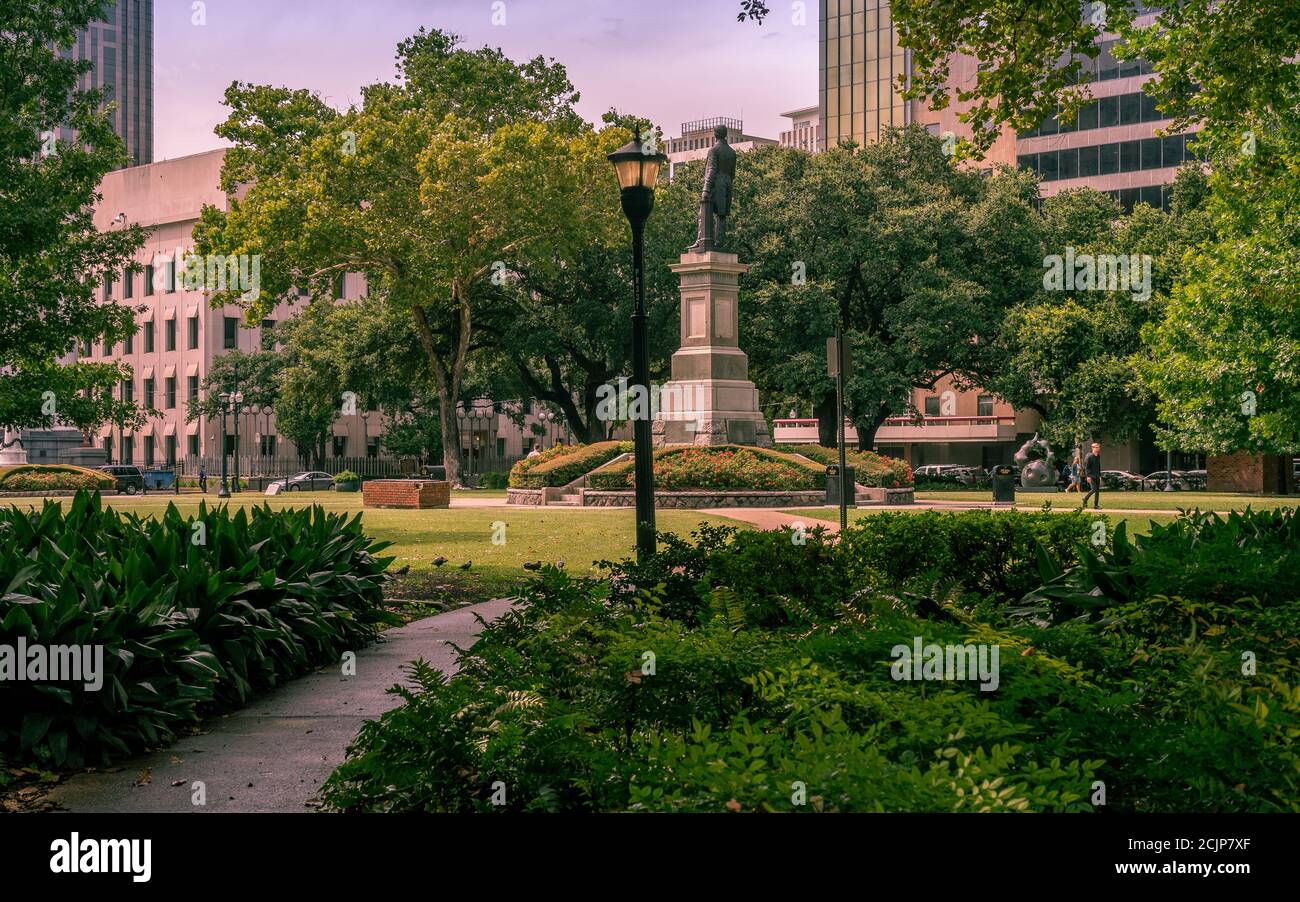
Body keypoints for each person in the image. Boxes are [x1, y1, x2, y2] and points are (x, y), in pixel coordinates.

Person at [1080, 442, 1102, 509]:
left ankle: (1096, 505)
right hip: (1091, 476)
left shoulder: (1098, 456)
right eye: (1096, 447)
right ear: (1093, 448)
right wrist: (1088, 476)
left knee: (1097, 491)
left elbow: (1098, 466)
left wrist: (1099, 475)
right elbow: (1087, 467)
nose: (1098, 448)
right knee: (1094, 489)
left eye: (1098, 447)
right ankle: (1085, 498)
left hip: (1097, 475)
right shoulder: (1089, 457)